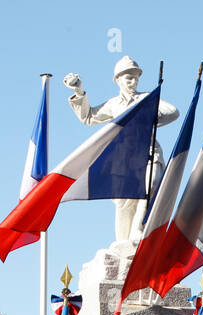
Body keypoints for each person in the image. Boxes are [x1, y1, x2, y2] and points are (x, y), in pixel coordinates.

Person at [62, 57, 180, 245]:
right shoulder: (113, 104)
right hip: (123, 158)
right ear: (118, 80)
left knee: (151, 185)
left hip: (149, 152)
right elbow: (89, 117)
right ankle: (123, 242)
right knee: (125, 202)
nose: (133, 82)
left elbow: (173, 112)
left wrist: (149, 117)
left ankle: (138, 229)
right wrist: (78, 91)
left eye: (135, 78)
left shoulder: (146, 99)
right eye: (128, 78)